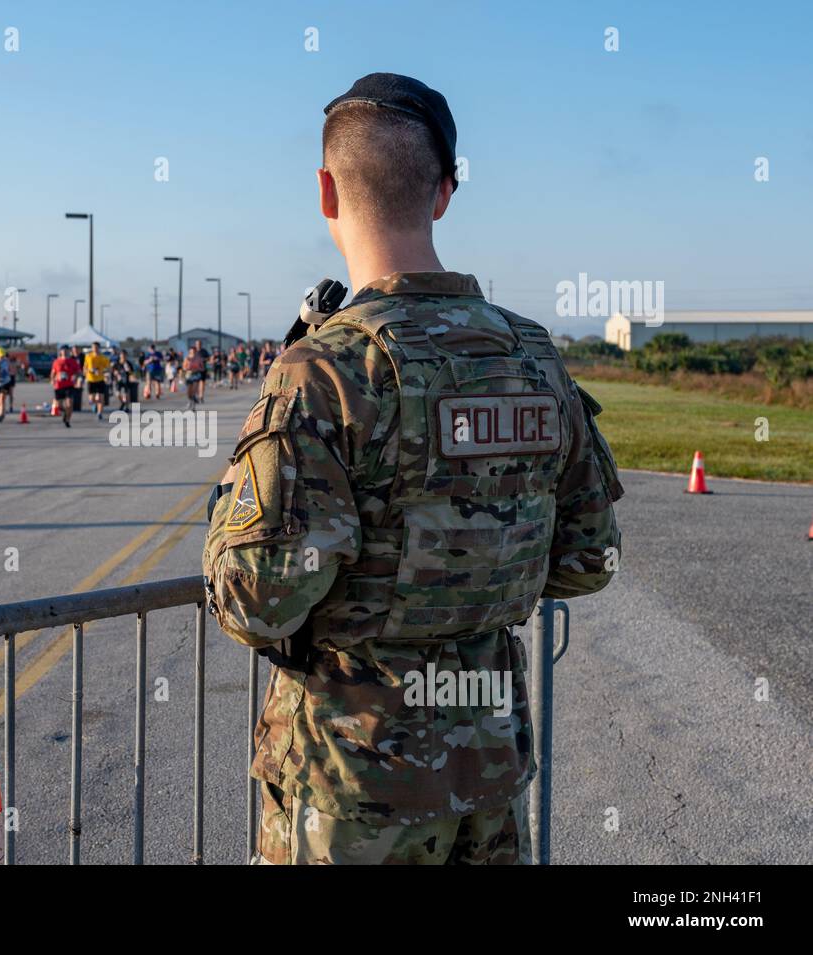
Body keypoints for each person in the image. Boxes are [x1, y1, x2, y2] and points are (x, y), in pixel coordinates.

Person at [201, 72, 624, 866]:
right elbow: (590, 558)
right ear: (445, 192)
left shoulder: (323, 371)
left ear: (326, 191)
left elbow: (255, 599)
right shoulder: (535, 358)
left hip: (350, 788)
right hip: (487, 770)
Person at [50, 344, 80, 427]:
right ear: (60, 352)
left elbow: (78, 372)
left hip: (69, 385)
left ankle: (67, 420)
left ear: (69, 351)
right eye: (63, 350)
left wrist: (75, 376)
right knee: (59, 406)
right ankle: (65, 414)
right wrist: (52, 380)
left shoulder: (73, 361)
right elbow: (53, 372)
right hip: (59, 386)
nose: (64, 352)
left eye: (66, 350)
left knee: (69, 404)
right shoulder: (56, 361)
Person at [82, 341, 111, 420]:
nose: (95, 349)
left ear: (99, 348)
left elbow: (108, 368)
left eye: (96, 347)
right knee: (91, 399)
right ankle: (94, 405)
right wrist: (88, 371)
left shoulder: (103, 358)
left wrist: (103, 372)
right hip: (91, 380)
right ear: (92, 348)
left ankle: (99, 413)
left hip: (100, 379)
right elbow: (85, 367)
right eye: (93, 347)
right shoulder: (88, 356)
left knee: (100, 398)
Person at [182, 345, 204, 411]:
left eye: (194, 351)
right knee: (189, 393)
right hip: (189, 375)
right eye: (191, 351)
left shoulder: (199, 358)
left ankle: (193, 406)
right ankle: (190, 401)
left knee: (194, 391)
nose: (193, 353)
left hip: (196, 375)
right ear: (189, 352)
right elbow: (183, 367)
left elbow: (202, 368)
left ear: (196, 351)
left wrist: (198, 369)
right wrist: (187, 368)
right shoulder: (187, 358)